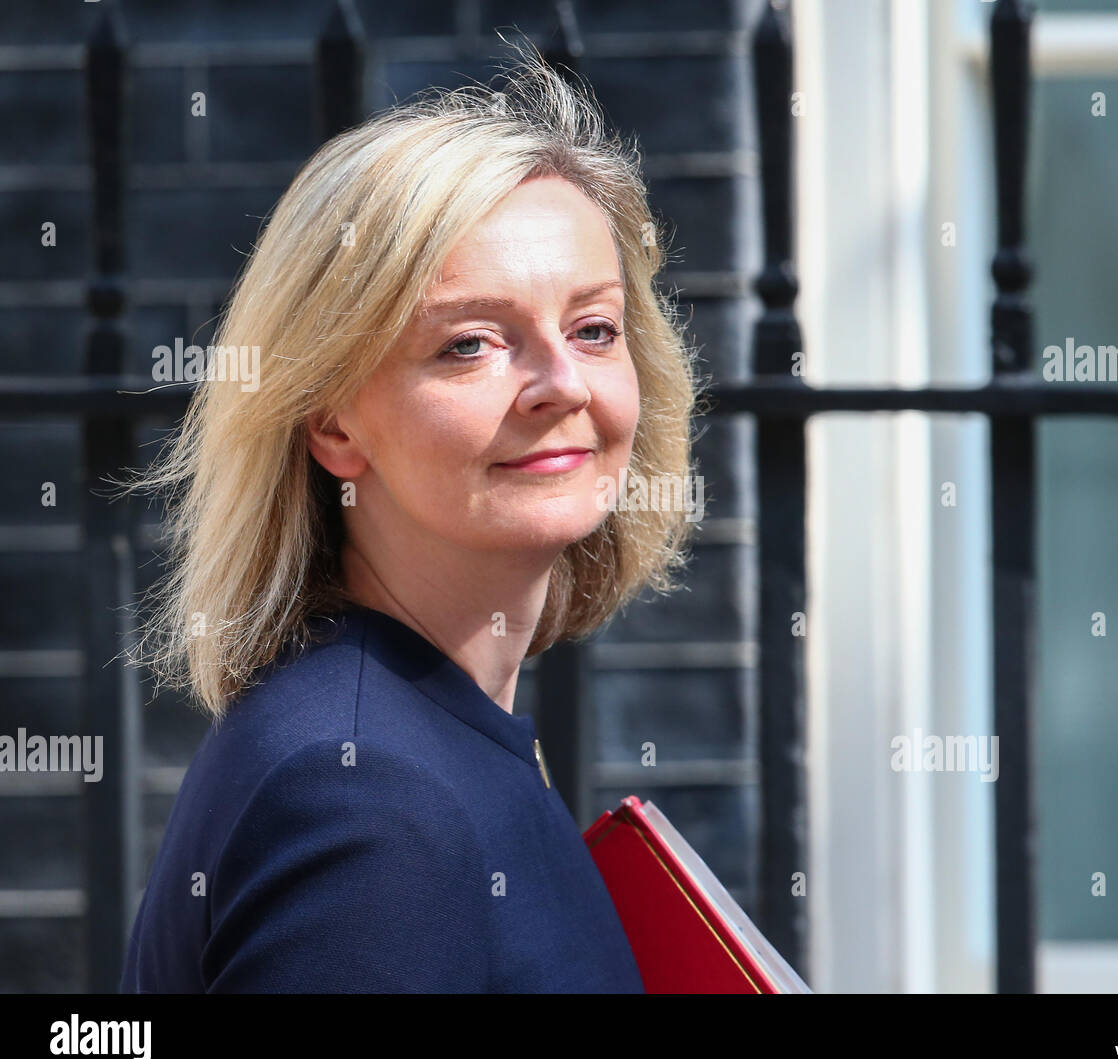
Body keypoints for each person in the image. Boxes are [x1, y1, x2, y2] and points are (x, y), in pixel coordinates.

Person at [116, 42, 701, 993]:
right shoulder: (363, 802)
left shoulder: (435, 728)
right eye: (470, 344)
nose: (561, 384)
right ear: (334, 422)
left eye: (594, 328)